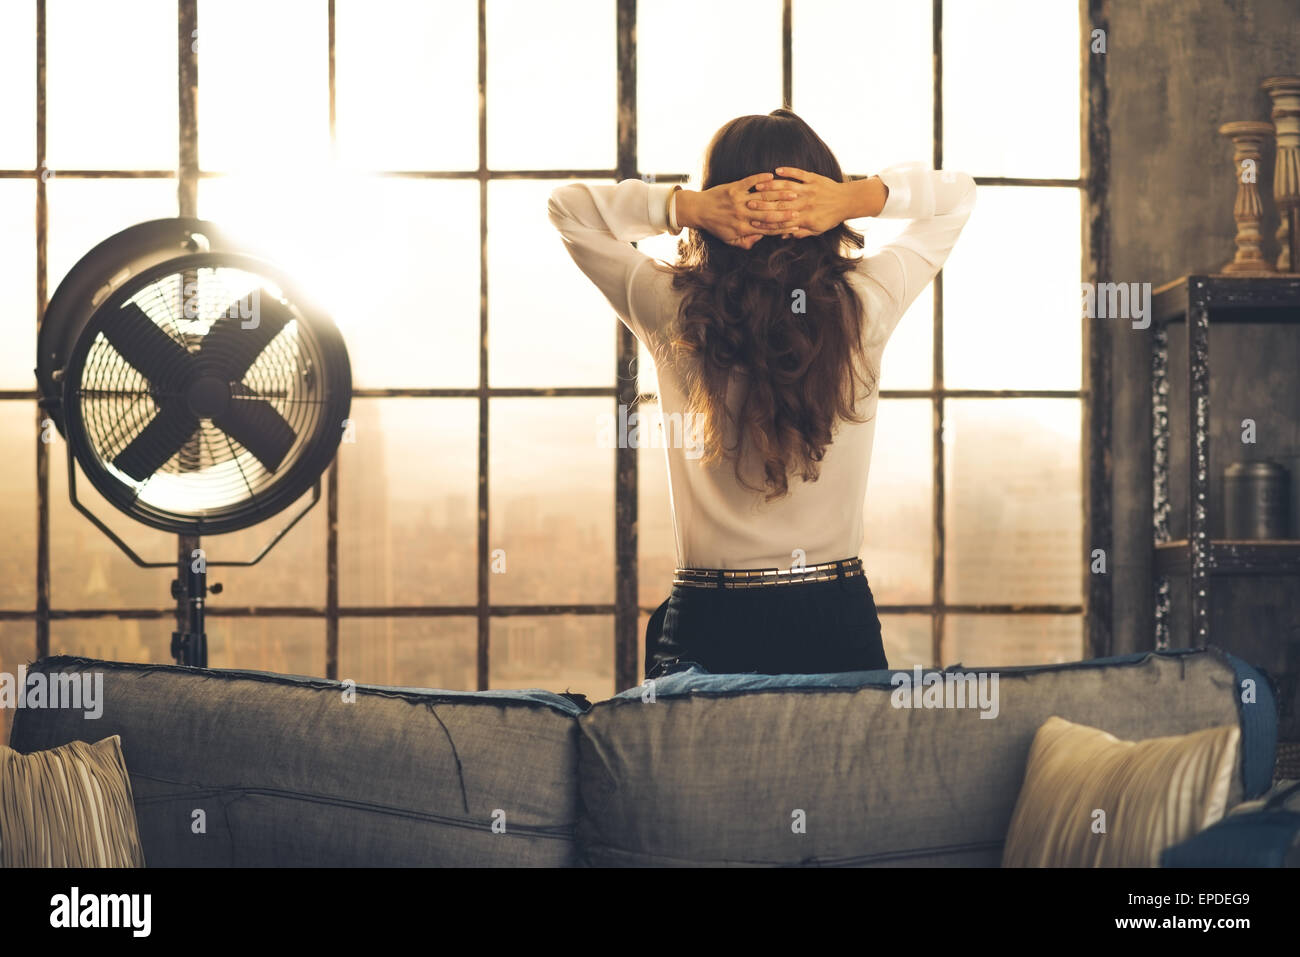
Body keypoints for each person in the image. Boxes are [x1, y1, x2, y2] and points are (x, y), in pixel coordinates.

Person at [548, 108, 975, 679]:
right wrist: (854, 199)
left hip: (710, 614)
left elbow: (567, 209)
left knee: (690, 773)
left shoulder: (669, 302)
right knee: (848, 773)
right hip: (833, 612)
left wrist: (684, 208)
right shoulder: (867, 299)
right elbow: (956, 196)